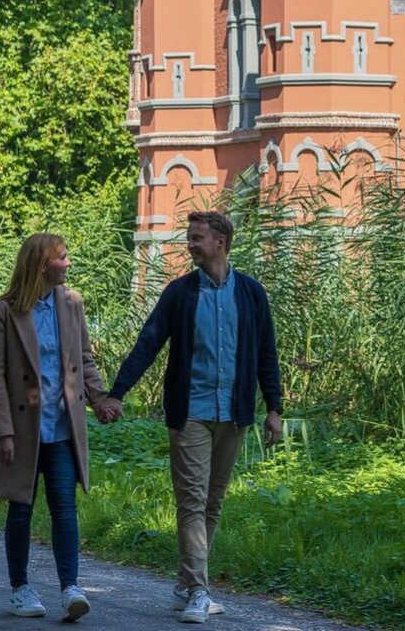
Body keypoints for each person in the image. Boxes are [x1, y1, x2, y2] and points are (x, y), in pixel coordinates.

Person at [107, 211, 283, 625]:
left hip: (235, 414)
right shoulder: (180, 294)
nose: (190, 244)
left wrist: (274, 407)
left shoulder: (252, 294)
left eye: (196, 238)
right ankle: (200, 591)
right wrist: (117, 392)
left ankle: (187, 583)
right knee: (191, 500)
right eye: (190, 237)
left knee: (213, 502)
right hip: (191, 413)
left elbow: (266, 355)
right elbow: (148, 343)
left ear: (220, 242)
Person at [0, 232, 121, 622]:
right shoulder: (5, 311)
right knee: (21, 508)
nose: (68, 264)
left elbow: (84, 361)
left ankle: (70, 588)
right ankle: (20, 588)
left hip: (62, 426)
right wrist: (3, 432)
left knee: (64, 506)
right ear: (42, 264)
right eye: (62, 258)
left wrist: (100, 400)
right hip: (23, 429)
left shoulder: (72, 304)